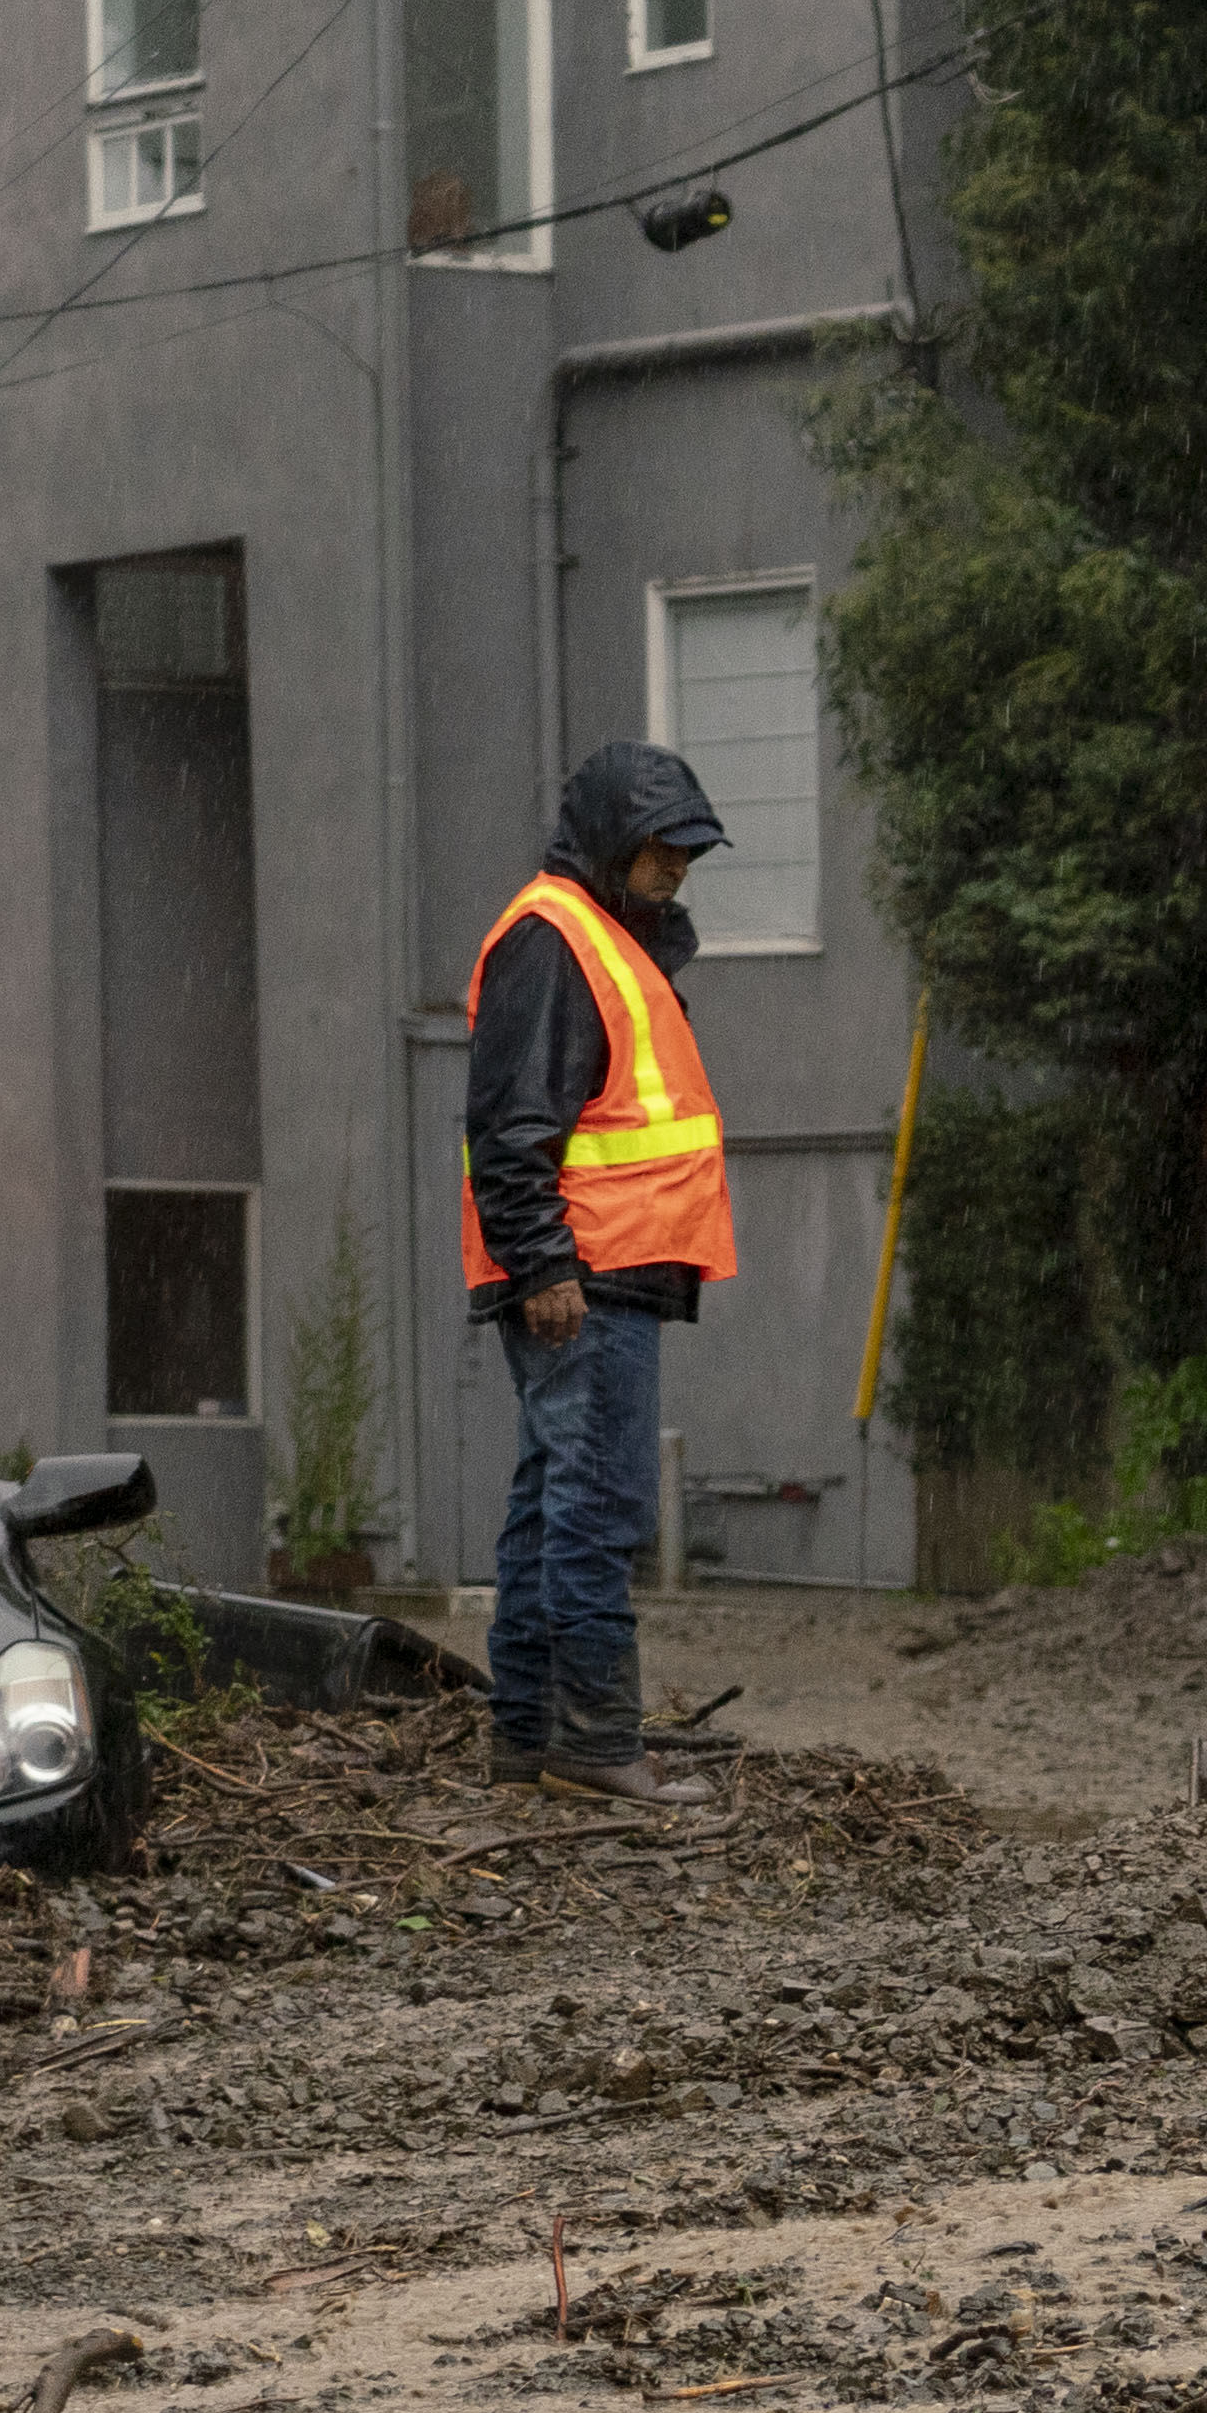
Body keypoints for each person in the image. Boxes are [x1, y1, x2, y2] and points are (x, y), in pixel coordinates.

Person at [462, 740, 738, 1796]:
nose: (675, 869)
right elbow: (512, 1124)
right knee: (596, 1507)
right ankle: (594, 1746)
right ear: (610, 842)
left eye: (686, 854)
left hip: (587, 1272)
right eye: (661, 849)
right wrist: (543, 1266)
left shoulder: (586, 937)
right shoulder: (558, 939)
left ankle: (530, 1737)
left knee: (551, 1506)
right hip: (586, 1278)